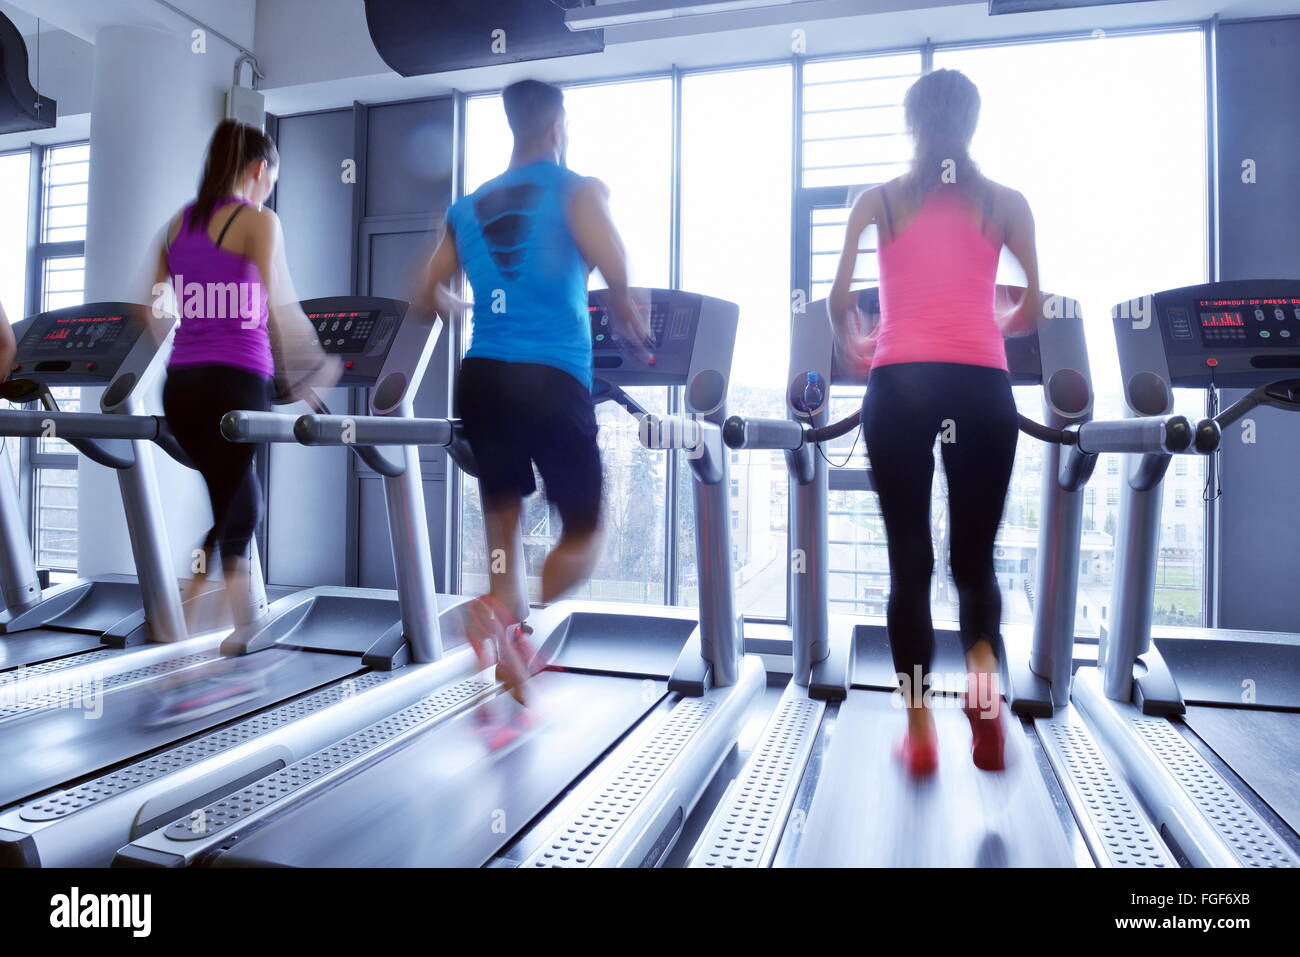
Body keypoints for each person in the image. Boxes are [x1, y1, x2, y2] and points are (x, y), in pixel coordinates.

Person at [415, 79, 651, 730]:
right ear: (556, 126)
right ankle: (533, 615)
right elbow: (615, 261)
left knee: (504, 528)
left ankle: (502, 619)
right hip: (551, 376)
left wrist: (454, 302)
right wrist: (628, 304)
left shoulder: (468, 206)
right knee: (584, 531)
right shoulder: (577, 189)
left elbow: (421, 289)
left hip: (485, 376)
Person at [827, 69, 1041, 779]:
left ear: (911, 123)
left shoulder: (878, 200)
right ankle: (982, 676)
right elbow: (1030, 309)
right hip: (983, 386)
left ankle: (919, 727)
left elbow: (838, 303)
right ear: (972, 124)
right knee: (973, 561)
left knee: (909, 563)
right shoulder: (1007, 204)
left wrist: (861, 338)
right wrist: (989, 327)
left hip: (901, 386)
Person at [144, 120, 339, 724]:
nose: (270, 191)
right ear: (259, 170)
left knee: (230, 504)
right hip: (236, 382)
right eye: (272, 180)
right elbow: (282, 310)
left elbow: (153, 311)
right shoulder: (258, 221)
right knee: (242, 508)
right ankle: (203, 650)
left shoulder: (177, 225)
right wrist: (320, 369)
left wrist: (193, 338)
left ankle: (202, 642)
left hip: (183, 386)